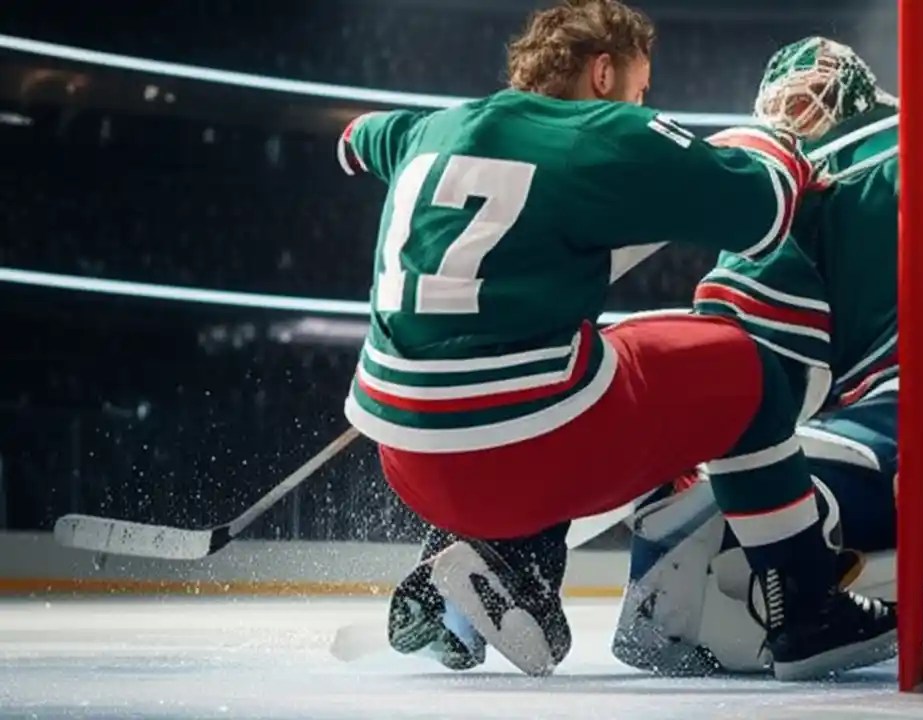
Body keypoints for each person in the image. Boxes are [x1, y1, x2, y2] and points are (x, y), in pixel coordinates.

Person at [339, 3, 887, 680]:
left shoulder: (425, 129)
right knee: (745, 370)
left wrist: (362, 141)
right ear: (604, 72)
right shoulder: (605, 133)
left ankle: (501, 565)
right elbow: (761, 207)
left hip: (405, 459)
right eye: (639, 84)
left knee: (594, 353)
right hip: (523, 451)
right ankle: (807, 610)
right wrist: (774, 137)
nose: (640, 99)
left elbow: (357, 137)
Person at [611, 36, 923, 675]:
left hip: (911, 421)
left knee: (736, 452)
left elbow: (746, 359)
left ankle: (729, 560)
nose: (795, 117)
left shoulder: (804, 169)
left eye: (804, 100)